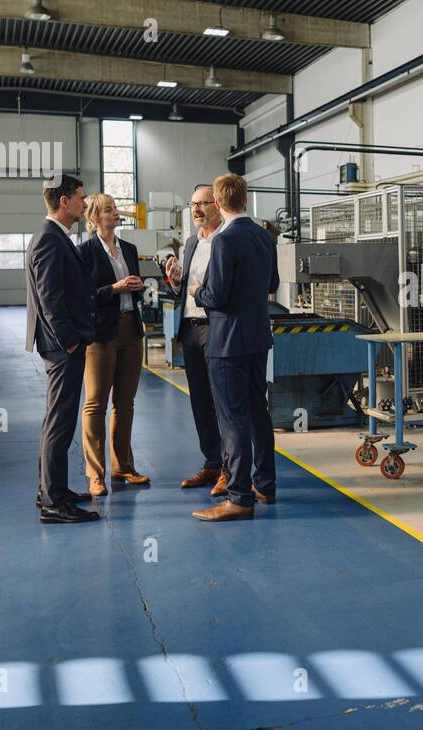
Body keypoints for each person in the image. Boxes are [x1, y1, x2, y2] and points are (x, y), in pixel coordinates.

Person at [189, 173, 279, 522]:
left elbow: (218, 296)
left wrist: (197, 291)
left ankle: (239, 496)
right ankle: (265, 484)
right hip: (258, 337)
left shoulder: (225, 240)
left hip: (227, 342)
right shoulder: (263, 236)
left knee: (232, 418)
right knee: (258, 411)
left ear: (220, 203)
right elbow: (271, 283)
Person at [24, 173, 99, 524]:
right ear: (64, 201)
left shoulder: (55, 236)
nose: (85, 204)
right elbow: (49, 297)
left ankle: (52, 489)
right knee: (60, 421)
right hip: (61, 346)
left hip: (60, 345)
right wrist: (69, 340)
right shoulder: (49, 240)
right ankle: (54, 502)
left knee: (58, 418)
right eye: (81, 198)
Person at [78, 194, 149, 497]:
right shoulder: (85, 253)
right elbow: (82, 297)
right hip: (100, 335)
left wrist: (136, 288)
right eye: (108, 210)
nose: (116, 213)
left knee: (125, 402)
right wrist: (115, 288)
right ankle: (95, 474)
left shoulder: (129, 250)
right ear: (94, 218)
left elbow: (133, 287)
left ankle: (123, 465)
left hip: (130, 328)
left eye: (115, 208)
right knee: (95, 404)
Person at [163, 184, 229, 497]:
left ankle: (231, 470)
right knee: (200, 401)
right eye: (192, 204)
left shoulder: (226, 240)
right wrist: (176, 279)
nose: (196, 210)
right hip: (189, 329)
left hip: (215, 326)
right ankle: (212, 463)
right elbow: (184, 290)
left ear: (217, 204)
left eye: (202, 203)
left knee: (222, 402)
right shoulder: (191, 243)